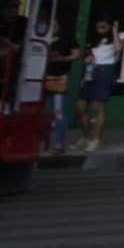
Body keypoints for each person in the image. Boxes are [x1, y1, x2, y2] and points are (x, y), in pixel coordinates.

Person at [77, 18, 122, 152]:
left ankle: (96, 139)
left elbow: (119, 48)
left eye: (103, 26)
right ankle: (86, 136)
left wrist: (115, 29)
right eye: (98, 27)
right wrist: (87, 60)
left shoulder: (117, 37)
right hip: (91, 71)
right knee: (80, 106)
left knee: (98, 107)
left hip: (104, 71)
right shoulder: (94, 40)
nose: (100, 29)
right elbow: (88, 55)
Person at [43, 22, 82, 153]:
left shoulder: (67, 39)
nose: (53, 27)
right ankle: (42, 143)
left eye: (55, 25)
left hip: (59, 79)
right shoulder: (41, 38)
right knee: (39, 112)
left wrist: (63, 58)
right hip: (40, 79)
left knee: (58, 112)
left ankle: (59, 143)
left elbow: (77, 54)